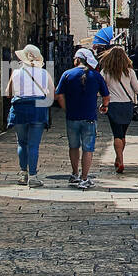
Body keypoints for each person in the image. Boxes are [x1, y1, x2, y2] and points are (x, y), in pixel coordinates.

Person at [54, 48, 110, 189]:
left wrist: (66, 108)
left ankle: (74, 174)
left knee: (73, 146)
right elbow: (106, 96)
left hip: (72, 117)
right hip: (89, 117)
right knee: (88, 148)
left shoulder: (67, 74)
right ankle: (84, 178)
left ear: (78, 59)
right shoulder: (96, 76)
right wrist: (104, 106)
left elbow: (58, 95)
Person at [6, 45, 52, 188]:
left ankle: (23, 174)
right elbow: (52, 94)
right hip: (38, 109)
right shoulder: (44, 74)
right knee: (33, 144)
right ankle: (33, 176)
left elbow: (8, 93)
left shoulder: (16, 73)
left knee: (22, 142)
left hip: (20, 108)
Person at [99, 47, 138, 174]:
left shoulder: (105, 72)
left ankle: (120, 160)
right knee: (122, 133)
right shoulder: (129, 72)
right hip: (127, 105)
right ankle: (119, 159)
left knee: (117, 133)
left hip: (113, 105)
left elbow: (101, 90)